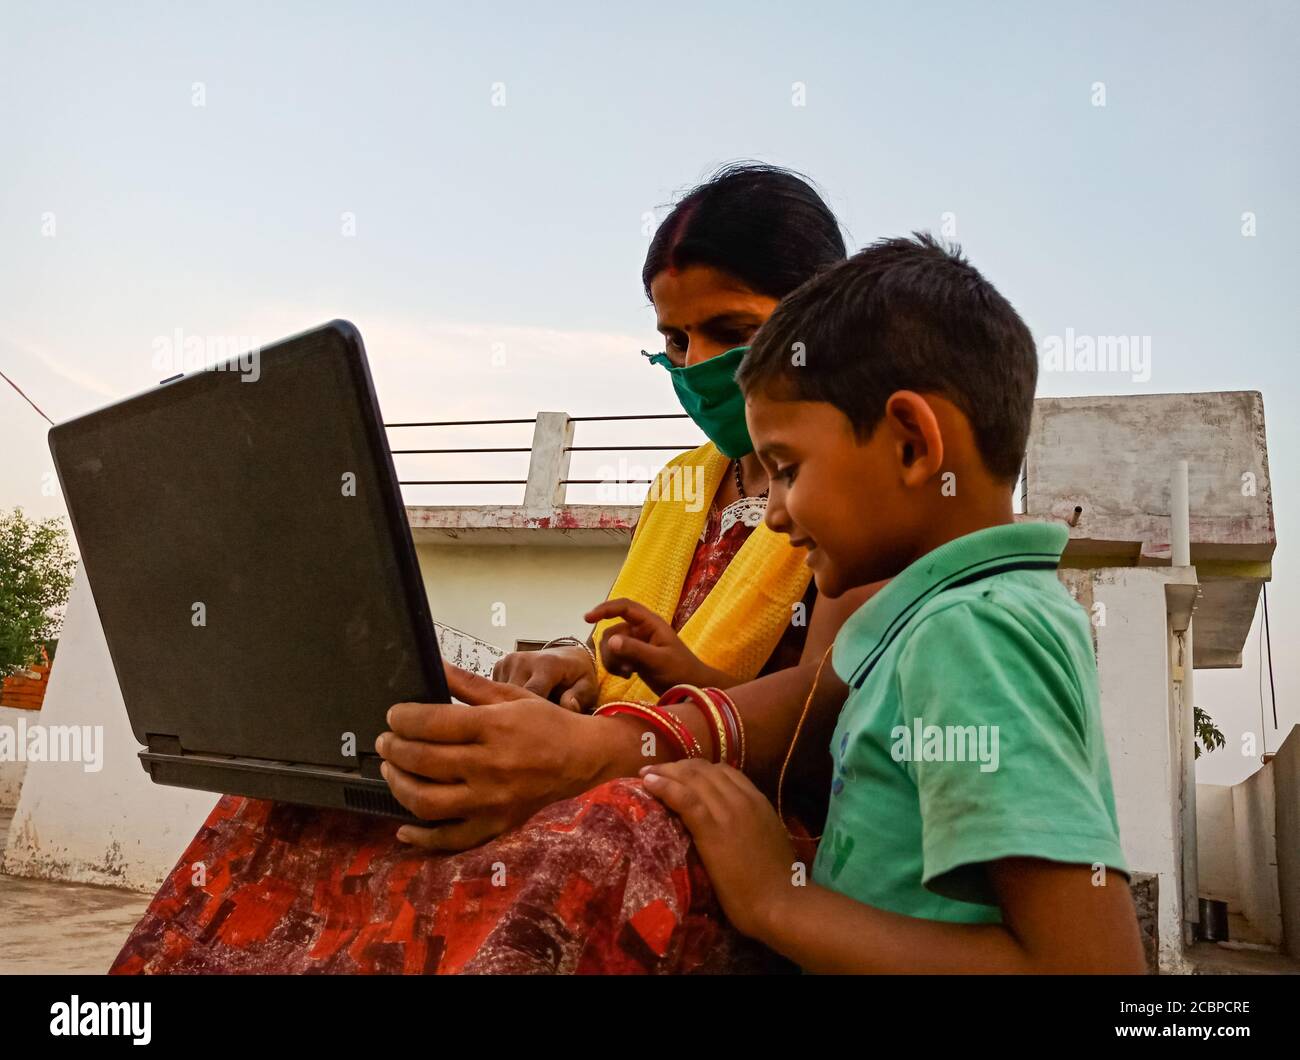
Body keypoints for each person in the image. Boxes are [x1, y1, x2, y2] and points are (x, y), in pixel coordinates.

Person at [109, 164, 871, 975]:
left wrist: (602, 750)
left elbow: (825, 702)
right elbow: (646, 643)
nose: (694, 366)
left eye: (732, 331)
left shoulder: (862, 478)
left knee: (601, 832)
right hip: (627, 745)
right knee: (338, 792)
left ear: (822, 321)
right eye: (677, 341)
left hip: (743, 805)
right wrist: (573, 669)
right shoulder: (684, 485)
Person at [640, 234, 1148, 974]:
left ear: (912, 444)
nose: (774, 513)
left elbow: (1088, 968)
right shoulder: (947, 620)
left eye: (786, 469)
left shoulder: (970, 633)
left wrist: (778, 901)